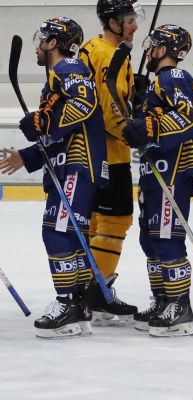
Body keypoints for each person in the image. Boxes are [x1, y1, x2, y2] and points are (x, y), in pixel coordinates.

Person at [0, 18, 106, 338]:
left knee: (57, 232)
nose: (38, 43)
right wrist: (27, 155)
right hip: (69, 165)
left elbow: (82, 105)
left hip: (77, 165)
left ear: (55, 43)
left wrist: (42, 120)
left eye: (43, 38)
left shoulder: (68, 68)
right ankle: (80, 302)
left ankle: (68, 304)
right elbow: (57, 133)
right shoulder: (59, 77)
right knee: (70, 235)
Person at [124, 24, 193, 336]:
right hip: (154, 171)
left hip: (172, 169)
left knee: (168, 237)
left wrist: (148, 127)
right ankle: (162, 300)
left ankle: (179, 305)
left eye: (156, 43)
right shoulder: (157, 82)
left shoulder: (175, 76)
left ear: (170, 51)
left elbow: (188, 116)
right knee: (151, 238)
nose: (149, 48)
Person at [77, 0, 144, 324]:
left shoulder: (93, 48)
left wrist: (135, 93)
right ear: (114, 22)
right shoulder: (108, 55)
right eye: (129, 21)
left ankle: (86, 290)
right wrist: (128, 130)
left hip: (89, 152)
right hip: (109, 152)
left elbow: (115, 97)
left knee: (96, 223)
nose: (134, 27)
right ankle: (97, 294)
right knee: (116, 221)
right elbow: (107, 106)